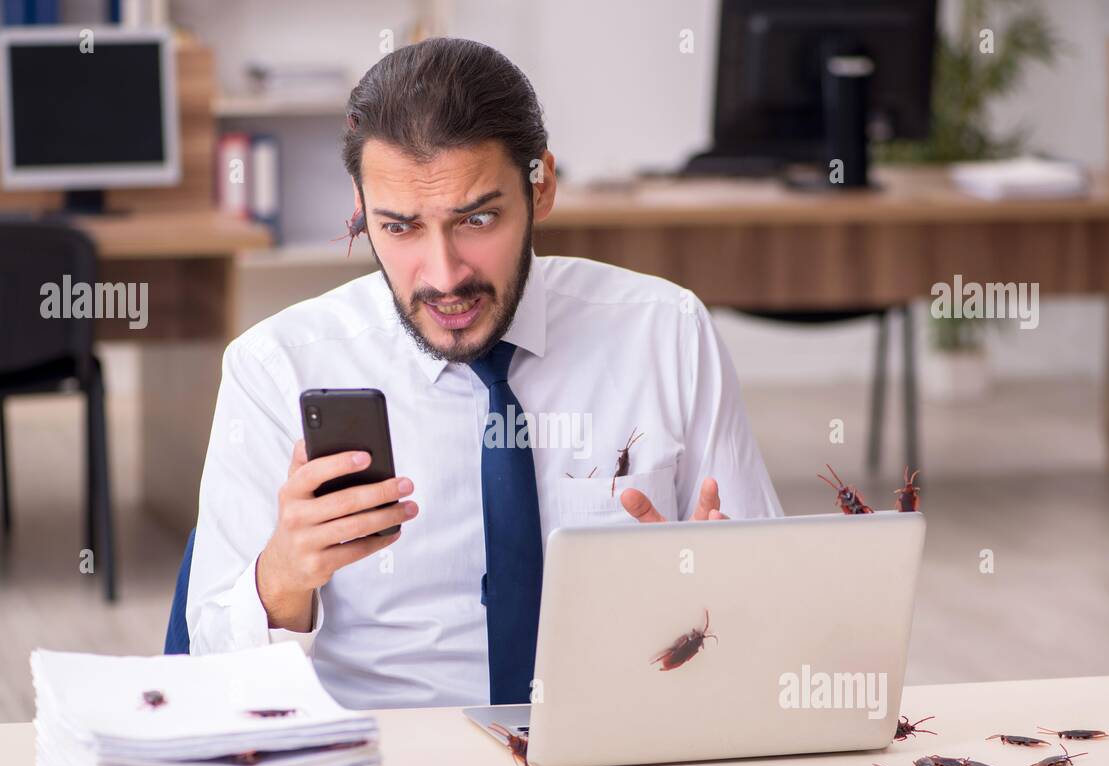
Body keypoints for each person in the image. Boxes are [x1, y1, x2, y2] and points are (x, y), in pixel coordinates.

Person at [187, 37, 781, 709]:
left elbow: (771, 614)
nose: (443, 276)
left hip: (626, 751)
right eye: (400, 227)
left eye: (477, 219)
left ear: (542, 185)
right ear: (360, 208)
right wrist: (284, 578)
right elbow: (206, 672)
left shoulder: (667, 331)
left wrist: (724, 588)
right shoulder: (275, 367)